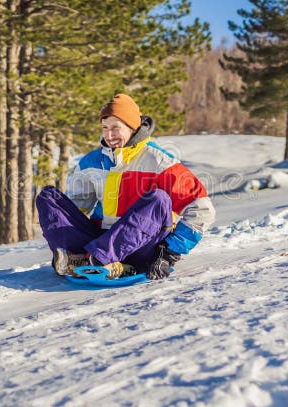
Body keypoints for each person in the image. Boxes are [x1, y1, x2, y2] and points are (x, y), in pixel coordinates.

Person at [36, 93, 215, 280]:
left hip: (142, 248)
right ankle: (78, 259)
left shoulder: (161, 162)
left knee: (158, 199)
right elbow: (76, 210)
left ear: (132, 127)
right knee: (48, 197)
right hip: (99, 242)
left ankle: (100, 260)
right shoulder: (91, 162)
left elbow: (203, 210)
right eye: (105, 127)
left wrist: (169, 253)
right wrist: (69, 236)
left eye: (116, 128)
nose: (109, 135)